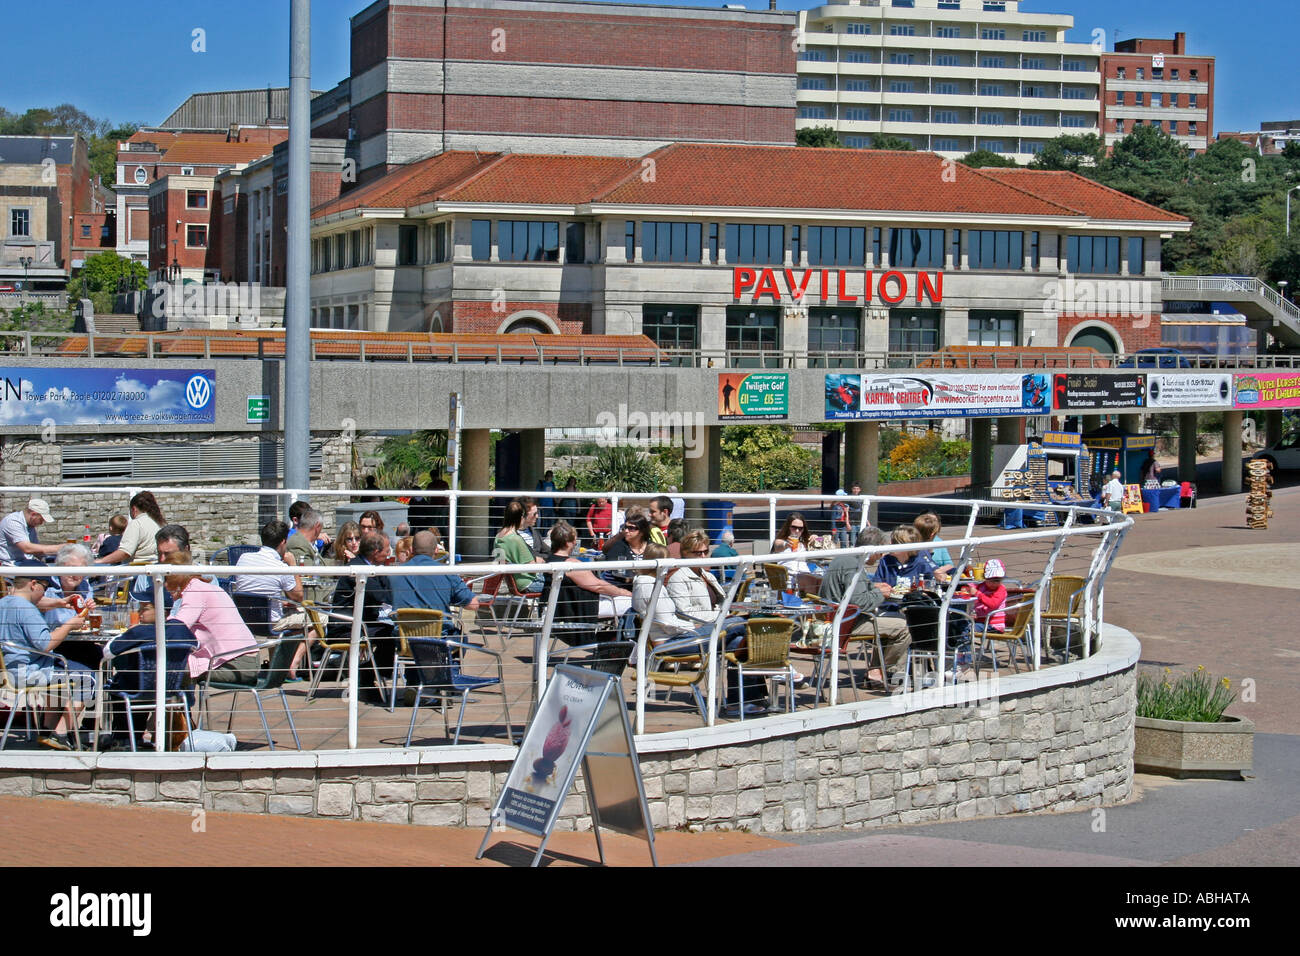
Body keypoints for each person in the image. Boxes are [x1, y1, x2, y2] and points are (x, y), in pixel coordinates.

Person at [0, 571, 94, 749]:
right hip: (27, 673)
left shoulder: (4, 603)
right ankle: (60, 734)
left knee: (64, 669)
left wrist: (60, 603)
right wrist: (69, 625)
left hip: (8, 671)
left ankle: (46, 731)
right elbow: (46, 644)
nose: (44, 593)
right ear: (33, 584)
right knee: (87, 678)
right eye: (44, 588)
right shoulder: (27, 609)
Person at [820, 527, 910, 686]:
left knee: (890, 623)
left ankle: (876, 672)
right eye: (880, 552)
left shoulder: (845, 559)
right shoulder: (854, 566)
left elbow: (851, 592)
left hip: (835, 618)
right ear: (873, 549)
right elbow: (860, 602)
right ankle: (885, 671)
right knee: (904, 627)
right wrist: (882, 594)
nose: (881, 556)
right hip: (845, 623)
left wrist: (873, 587)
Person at [164, 552, 261, 687]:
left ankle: (173, 707)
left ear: (174, 578)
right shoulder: (206, 588)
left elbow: (176, 628)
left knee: (173, 668)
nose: (163, 585)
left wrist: (160, 618)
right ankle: (179, 706)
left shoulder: (195, 591)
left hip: (236, 665)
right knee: (182, 665)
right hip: (244, 661)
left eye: (165, 579)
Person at [327, 531, 397, 704]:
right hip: (346, 627)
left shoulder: (372, 568)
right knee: (390, 635)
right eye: (387, 549)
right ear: (375, 552)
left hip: (363, 623)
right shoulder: (358, 570)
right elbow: (381, 596)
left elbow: (387, 594)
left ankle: (369, 676)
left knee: (390, 632)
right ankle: (365, 676)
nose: (389, 553)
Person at [540, 522, 631, 644]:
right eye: (574, 541)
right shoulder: (571, 565)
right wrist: (625, 593)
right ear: (567, 543)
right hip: (579, 609)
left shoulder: (550, 561)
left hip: (562, 609)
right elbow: (598, 586)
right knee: (634, 603)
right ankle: (631, 645)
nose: (575, 544)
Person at [232, 520, 305, 625]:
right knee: (321, 619)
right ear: (283, 542)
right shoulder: (281, 568)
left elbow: (256, 590)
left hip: (246, 620)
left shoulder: (243, 558)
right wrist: (293, 566)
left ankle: (286, 641)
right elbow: (298, 598)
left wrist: (278, 602)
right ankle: (301, 642)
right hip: (272, 622)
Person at [97, 491, 165, 565]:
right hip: (155, 568)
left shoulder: (136, 523)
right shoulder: (157, 523)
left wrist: (100, 561)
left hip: (138, 570)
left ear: (133, 509)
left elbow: (125, 552)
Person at [40, 544, 97, 629]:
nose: (75, 574)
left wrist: (88, 610)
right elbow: (32, 603)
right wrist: (60, 602)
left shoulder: (85, 586)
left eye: (80, 570)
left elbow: (84, 617)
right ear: (60, 566)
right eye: (72, 568)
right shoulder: (47, 584)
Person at [493, 500, 545, 593]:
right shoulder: (516, 539)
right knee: (562, 586)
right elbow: (533, 568)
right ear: (521, 517)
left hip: (514, 585)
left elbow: (502, 562)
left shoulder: (498, 537)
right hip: (528, 583)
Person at [872, 527, 941, 595]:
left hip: (914, 603)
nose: (890, 544)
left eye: (894, 542)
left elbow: (931, 586)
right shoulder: (885, 561)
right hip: (889, 603)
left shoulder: (922, 563)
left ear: (906, 547)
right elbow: (876, 584)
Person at [0, 498, 62, 564]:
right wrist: (58, 548)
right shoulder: (13, 522)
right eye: (41, 519)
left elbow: (36, 550)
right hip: (12, 565)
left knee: (60, 565)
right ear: (33, 515)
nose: (42, 523)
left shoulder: (30, 526)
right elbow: (27, 548)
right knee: (54, 572)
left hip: (26, 562)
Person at [600, 513, 651, 586]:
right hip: (623, 587)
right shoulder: (618, 546)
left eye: (631, 528)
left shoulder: (652, 547)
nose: (626, 531)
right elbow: (614, 571)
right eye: (625, 527)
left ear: (642, 531)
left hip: (647, 586)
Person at [771, 512, 816, 577]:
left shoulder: (804, 544)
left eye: (800, 528)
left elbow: (823, 544)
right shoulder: (780, 541)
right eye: (794, 527)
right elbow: (778, 546)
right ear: (788, 527)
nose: (797, 531)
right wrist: (786, 545)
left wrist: (817, 539)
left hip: (805, 576)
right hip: (787, 578)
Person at [970, 558, 1009, 633]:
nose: (993, 583)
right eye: (990, 580)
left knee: (966, 628)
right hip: (980, 621)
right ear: (985, 578)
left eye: (997, 580)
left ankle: (964, 644)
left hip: (994, 625)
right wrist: (968, 588)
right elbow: (970, 589)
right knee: (958, 624)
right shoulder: (981, 586)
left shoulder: (1001, 590)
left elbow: (993, 604)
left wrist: (978, 594)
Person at [913, 511, 955, 576]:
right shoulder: (914, 545)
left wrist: (939, 570)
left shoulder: (939, 541)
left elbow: (949, 564)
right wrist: (936, 571)